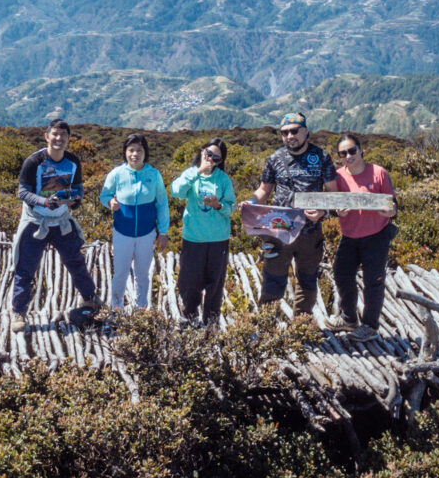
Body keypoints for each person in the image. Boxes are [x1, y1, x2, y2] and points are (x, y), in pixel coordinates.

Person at [241, 112, 337, 316]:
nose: (289, 136)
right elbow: (264, 190)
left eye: (294, 131)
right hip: (279, 229)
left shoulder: (321, 157)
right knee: (273, 279)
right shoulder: (275, 158)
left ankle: (301, 326)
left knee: (308, 280)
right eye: (284, 132)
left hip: (310, 232)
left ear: (306, 132)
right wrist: (251, 203)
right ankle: (268, 326)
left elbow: (332, 193)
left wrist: (322, 212)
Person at [10, 118, 102, 333]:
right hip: (36, 221)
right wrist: (45, 202)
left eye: (63, 135)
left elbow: (78, 187)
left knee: (75, 261)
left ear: (69, 139)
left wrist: (75, 199)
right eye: (55, 134)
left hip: (61, 220)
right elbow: (22, 192)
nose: (58, 138)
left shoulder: (72, 162)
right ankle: (18, 312)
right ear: (47, 136)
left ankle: (90, 299)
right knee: (26, 267)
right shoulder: (34, 162)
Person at [327, 133, 398, 342]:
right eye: (343, 153)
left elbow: (392, 203)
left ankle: (370, 325)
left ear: (360, 150)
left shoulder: (379, 173)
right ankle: (349, 318)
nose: (348, 156)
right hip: (349, 234)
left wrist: (390, 211)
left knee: (373, 281)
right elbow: (332, 204)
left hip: (376, 235)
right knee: (341, 274)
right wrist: (337, 211)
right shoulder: (338, 176)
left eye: (352, 151)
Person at [99, 133, 170, 311]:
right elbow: (105, 194)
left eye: (139, 150)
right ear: (125, 152)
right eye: (131, 150)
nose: (135, 154)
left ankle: (140, 309)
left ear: (145, 152)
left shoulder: (154, 175)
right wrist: (110, 202)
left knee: (142, 274)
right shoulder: (117, 174)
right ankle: (116, 307)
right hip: (122, 232)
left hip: (147, 233)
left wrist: (163, 232)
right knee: (121, 273)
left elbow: (161, 203)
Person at [170, 138, 235, 326]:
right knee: (190, 282)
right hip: (193, 238)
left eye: (216, 158)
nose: (211, 160)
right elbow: (176, 191)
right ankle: (189, 318)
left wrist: (218, 205)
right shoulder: (191, 174)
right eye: (208, 154)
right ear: (201, 152)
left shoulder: (223, 179)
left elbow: (231, 208)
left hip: (218, 239)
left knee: (215, 285)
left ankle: (211, 324)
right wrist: (198, 171)